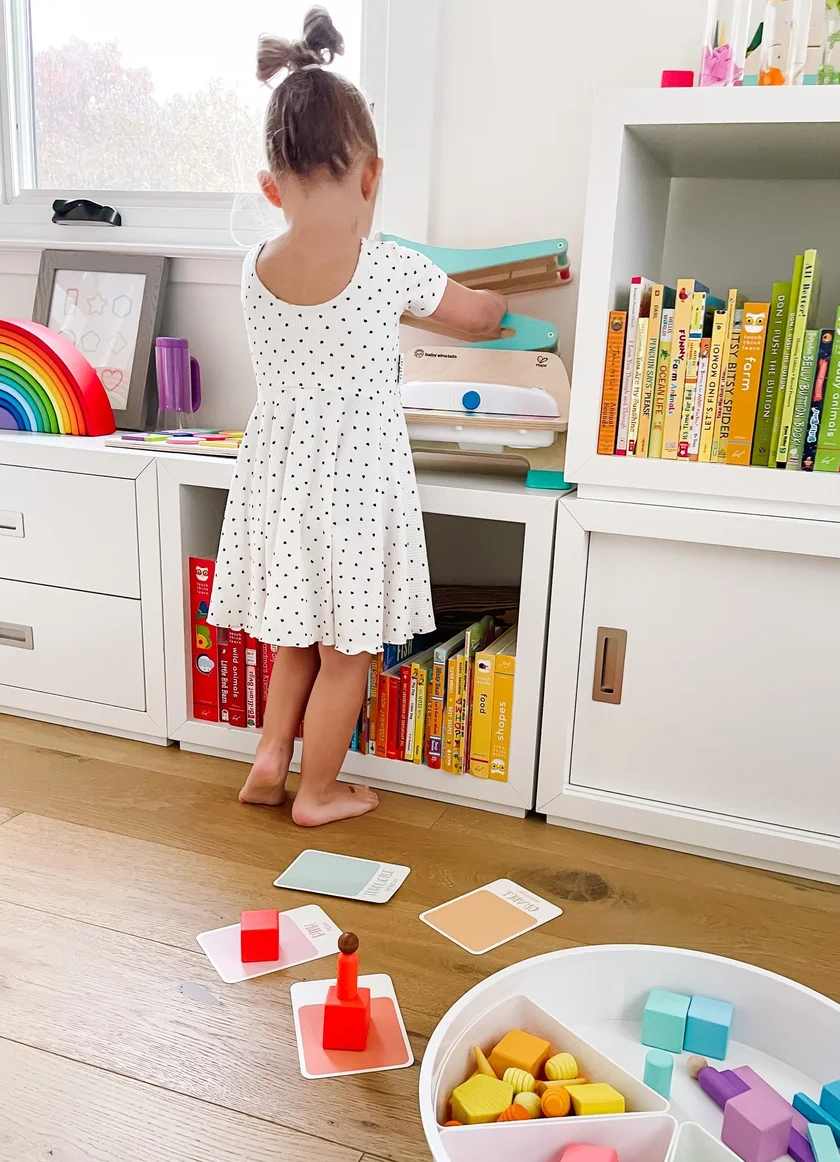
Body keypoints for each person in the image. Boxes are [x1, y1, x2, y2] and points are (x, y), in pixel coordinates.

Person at [209, 6, 507, 827]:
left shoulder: (251, 268)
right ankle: (316, 792)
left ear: (271, 187)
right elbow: (476, 317)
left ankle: (269, 760)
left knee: (294, 640)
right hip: (354, 486)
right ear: (372, 176)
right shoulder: (389, 268)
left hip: (278, 481)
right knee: (347, 653)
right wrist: (498, 299)